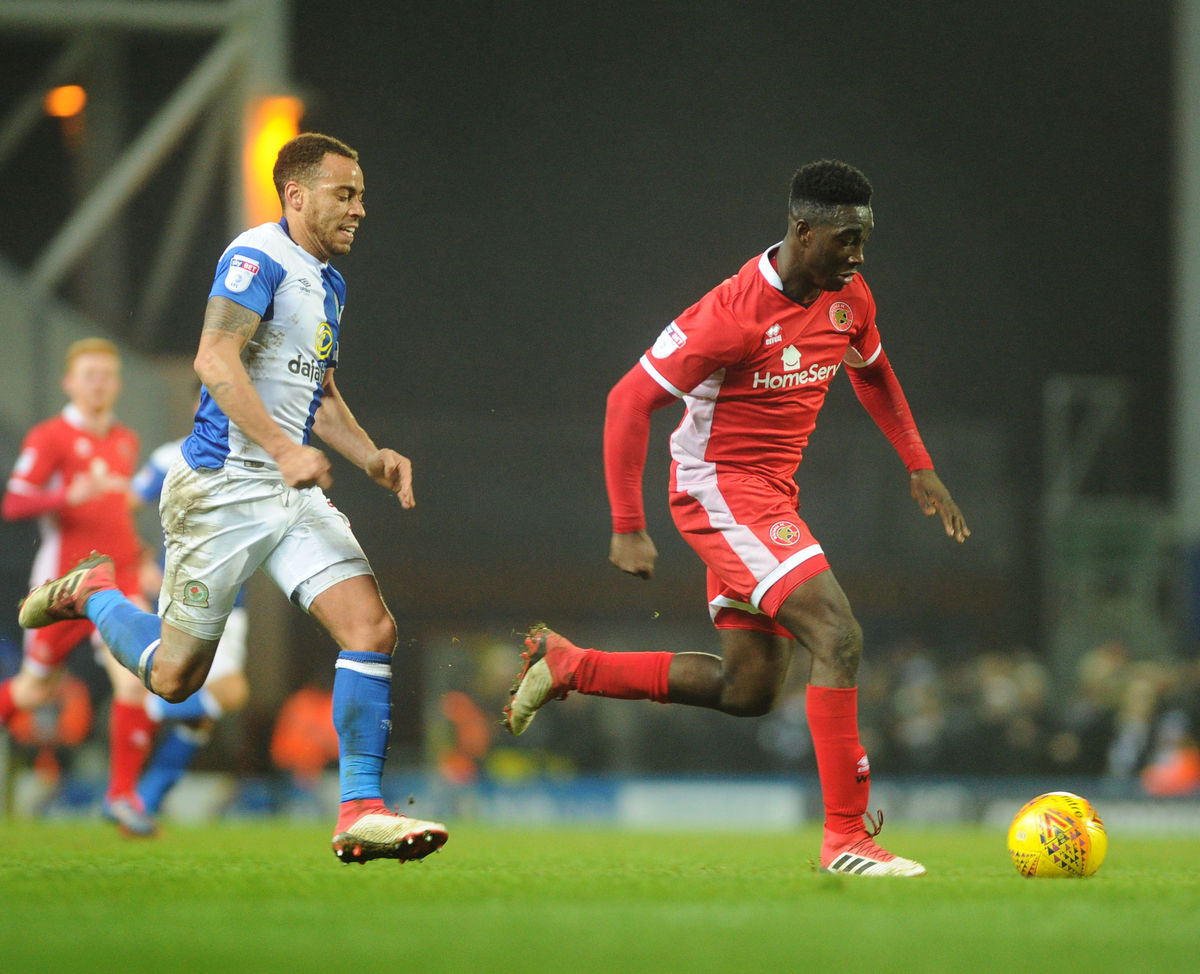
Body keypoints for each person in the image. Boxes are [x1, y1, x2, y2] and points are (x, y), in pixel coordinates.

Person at [505, 160, 969, 877]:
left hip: (770, 495)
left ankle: (572, 665)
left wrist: (917, 461)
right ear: (803, 230)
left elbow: (872, 370)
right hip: (719, 489)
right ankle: (846, 838)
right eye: (846, 239)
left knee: (748, 690)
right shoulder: (733, 312)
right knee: (838, 635)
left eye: (866, 239)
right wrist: (627, 523)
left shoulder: (851, 298)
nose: (859, 254)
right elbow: (628, 400)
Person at [18, 132, 448, 864]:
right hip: (220, 490)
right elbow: (213, 358)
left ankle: (360, 810)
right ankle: (94, 592)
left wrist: (370, 456)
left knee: (370, 629)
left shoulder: (330, 283)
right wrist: (282, 450)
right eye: (346, 194)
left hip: (290, 492)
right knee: (176, 678)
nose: (361, 209)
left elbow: (321, 394)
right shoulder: (256, 256)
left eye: (362, 195)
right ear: (297, 195)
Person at [0, 338, 161, 834]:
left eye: (107, 375)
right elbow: (13, 503)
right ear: (70, 382)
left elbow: (115, 516)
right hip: (63, 586)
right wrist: (64, 494)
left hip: (117, 581)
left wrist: (144, 558)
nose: (99, 383)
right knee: (31, 691)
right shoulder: (50, 436)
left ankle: (121, 797)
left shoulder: (125, 440)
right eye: (89, 374)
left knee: (135, 679)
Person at [125, 428, 251, 824]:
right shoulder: (171, 455)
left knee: (201, 716)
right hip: (188, 592)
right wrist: (139, 560)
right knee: (232, 693)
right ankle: (150, 705)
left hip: (235, 598)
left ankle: (144, 802)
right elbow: (124, 505)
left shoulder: (258, 454)